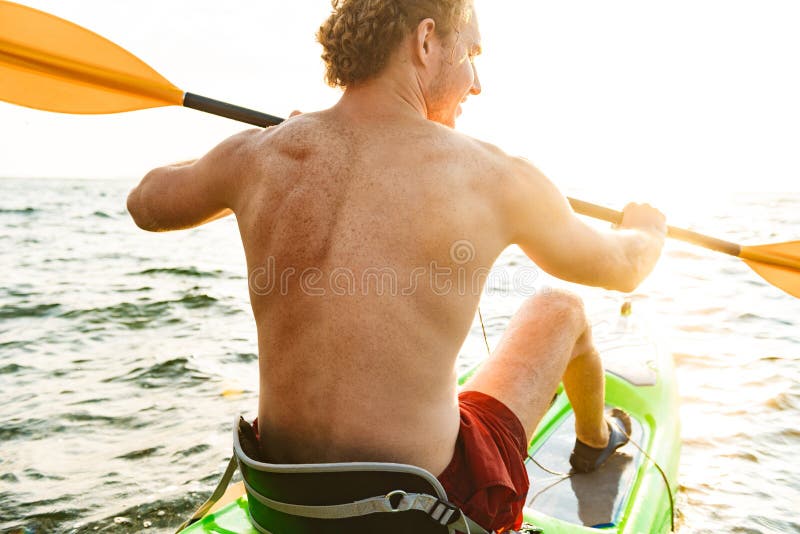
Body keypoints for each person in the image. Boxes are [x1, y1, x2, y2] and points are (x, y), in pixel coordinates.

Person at [126, 0, 666, 531]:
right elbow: (623, 268)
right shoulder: (495, 175)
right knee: (560, 309)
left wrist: (252, 148)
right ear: (427, 41)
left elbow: (146, 200)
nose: (476, 81)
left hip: (282, 502)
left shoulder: (256, 156)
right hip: (422, 511)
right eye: (471, 51)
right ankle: (597, 441)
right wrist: (647, 227)